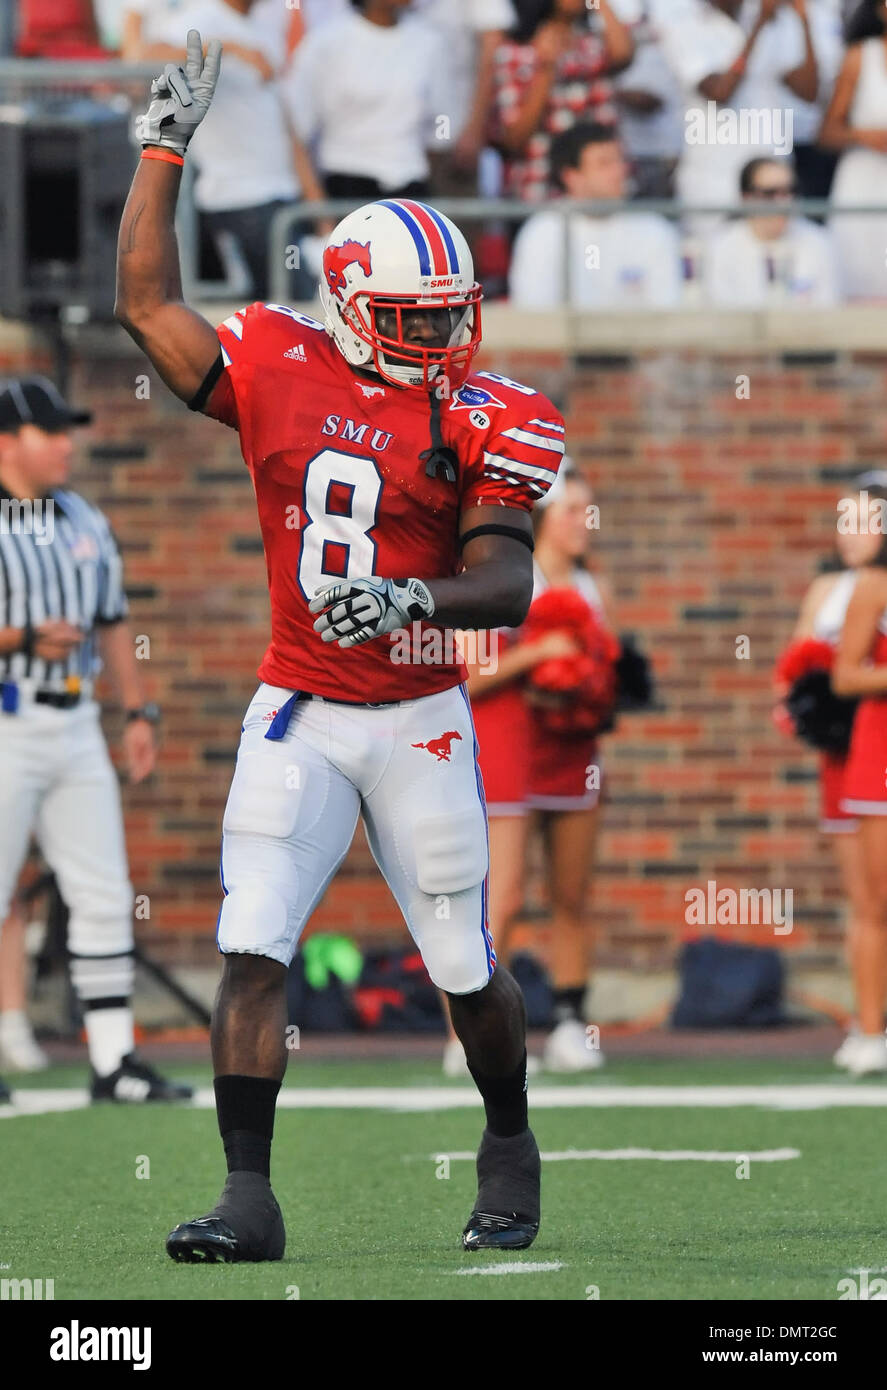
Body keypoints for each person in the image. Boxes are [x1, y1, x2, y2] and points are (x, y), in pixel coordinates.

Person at [116, 29, 569, 1260]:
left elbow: (508, 576)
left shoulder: (486, 411)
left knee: (463, 964)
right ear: (351, 309)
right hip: (302, 708)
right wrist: (161, 151)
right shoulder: (277, 361)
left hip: (419, 713)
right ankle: (248, 1199)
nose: (440, 338)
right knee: (253, 943)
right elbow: (144, 304)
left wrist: (417, 601)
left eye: (449, 314)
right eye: (414, 317)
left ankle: (508, 1139)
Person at [0, 376, 192, 1105]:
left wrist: (136, 712)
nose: (65, 444)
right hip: (6, 718)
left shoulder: (84, 517)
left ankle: (114, 1061)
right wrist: (19, 637)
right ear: (6, 442)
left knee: (103, 891)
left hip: (77, 721)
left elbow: (112, 620)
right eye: (49, 432)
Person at [784, 476, 886, 1073]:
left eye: (866, 520)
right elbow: (803, 671)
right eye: (844, 520)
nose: (853, 533)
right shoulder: (831, 588)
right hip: (851, 751)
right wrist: (808, 707)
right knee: (866, 897)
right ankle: (868, 1024)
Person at [149, 0, 323, 299]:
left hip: (283, 197)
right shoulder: (201, 17)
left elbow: (287, 127)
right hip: (237, 198)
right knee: (292, 309)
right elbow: (145, 57)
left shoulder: (265, 27)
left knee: (304, 312)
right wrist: (226, 49)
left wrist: (320, 212)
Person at [657, 0, 819, 226]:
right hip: (714, 176)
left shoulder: (774, 20)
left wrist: (803, 19)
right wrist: (759, 25)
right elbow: (721, 92)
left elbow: (809, 92)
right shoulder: (685, 27)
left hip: (771, 169)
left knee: (773, 254)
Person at [283, 0, 449, 201]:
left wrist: (441, 145)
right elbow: (297, 131)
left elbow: (444, 118)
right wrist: (319, 210)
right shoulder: (326, 41)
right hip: (344, 185)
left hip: (411, 184)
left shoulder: (430, 42)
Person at [832, 475, 887, 1072]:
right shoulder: (872, 585)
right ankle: (871, 1032)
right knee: (876, 899)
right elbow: (847, 676)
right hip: (879, 752)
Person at [508, 122, 683, 308]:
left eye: (620, 161)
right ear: (571, 176)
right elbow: (534, 315)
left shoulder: (654, 230)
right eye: (604, 164)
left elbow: (667, 316)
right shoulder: (541, 234)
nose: (619, 172)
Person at [490, 0, 635, 204]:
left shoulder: (590, 43)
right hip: (540, 191)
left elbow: (623, 54)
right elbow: (514, 139)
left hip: (598, 193)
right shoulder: (515, 52)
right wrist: (546, 69)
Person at [703, 156, 840, 304]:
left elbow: (828, 311)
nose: (783, 202)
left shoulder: (818, 242)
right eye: (770, 193)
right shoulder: (721, 246)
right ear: (746, 198)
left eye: (790, 191)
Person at [820, 0, 887, 299]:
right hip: (864, 184)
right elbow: (826, 132)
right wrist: (865, 136)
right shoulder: (860, 56)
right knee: (860, 283)